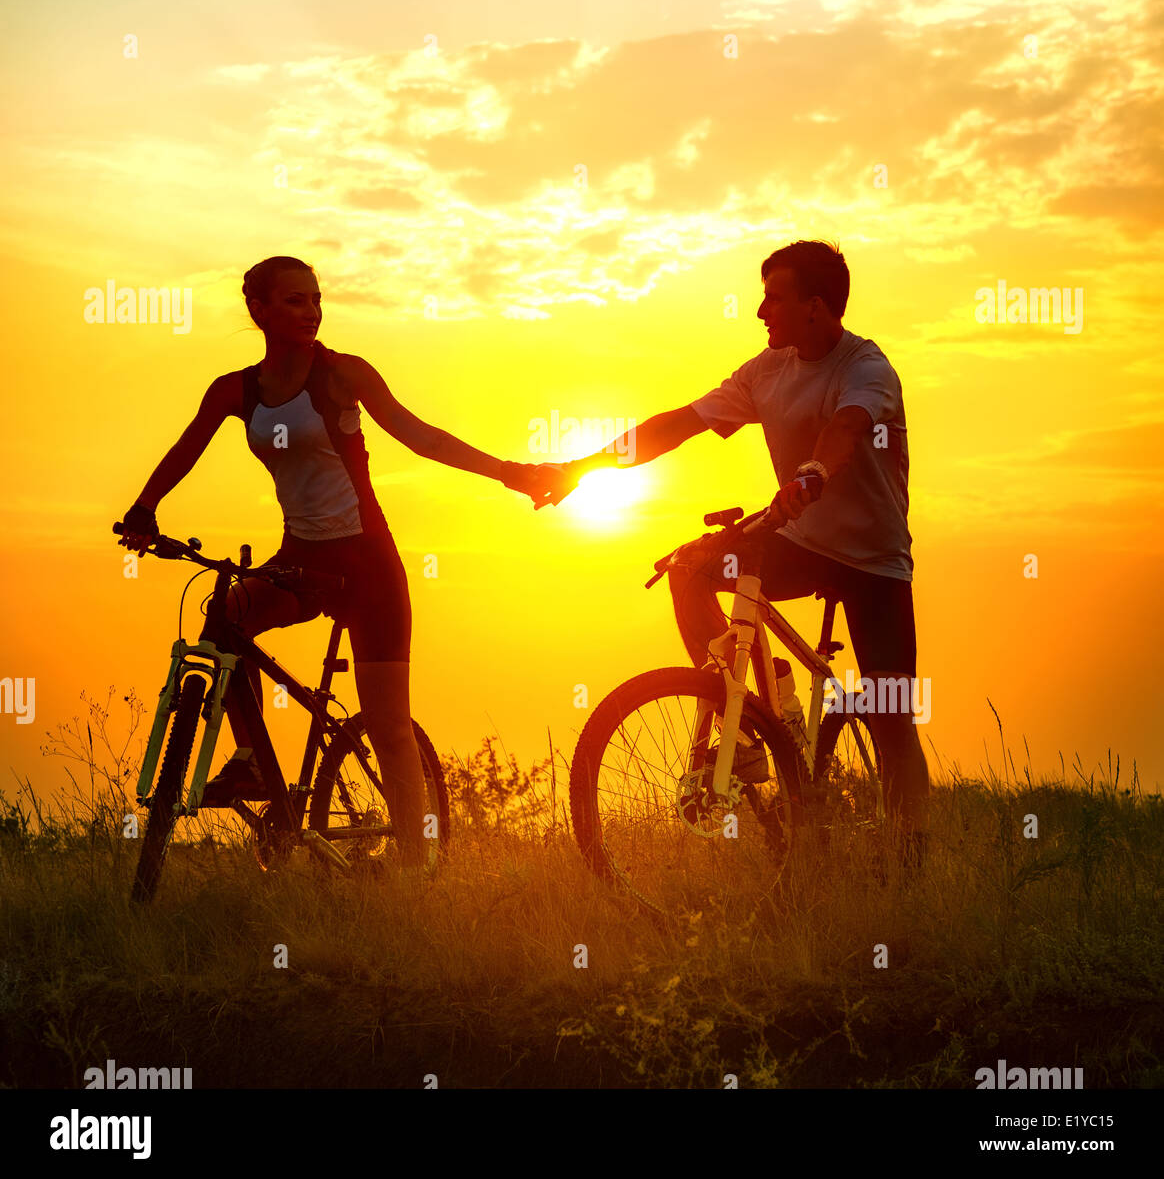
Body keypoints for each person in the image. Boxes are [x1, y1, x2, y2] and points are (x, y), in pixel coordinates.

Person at [118, 256, 547, 870]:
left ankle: (415, 873)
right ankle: (249, 761)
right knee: (225, 617)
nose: (311, 311)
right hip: (300, 558)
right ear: (258, 310)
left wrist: (512, 474)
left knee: (388, 727)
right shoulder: (235, 390)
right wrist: (143, 509)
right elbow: (186, 447)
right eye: (295, 300)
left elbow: (418, 434)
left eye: (316, 299)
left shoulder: (344, 376)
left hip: (367, 565)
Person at [534, 240, 928, 864]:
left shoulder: (867, 369)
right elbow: (678, 423)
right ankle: (752, 717)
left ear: (816, 308)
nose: (759, 310)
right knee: (690, 570)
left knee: (890, 717)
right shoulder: (766, 369)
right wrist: (585, 468)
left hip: (873, 558)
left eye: (774, 297)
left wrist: (812, 475)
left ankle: (913, 866)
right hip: (798, 538)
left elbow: (846, 430)